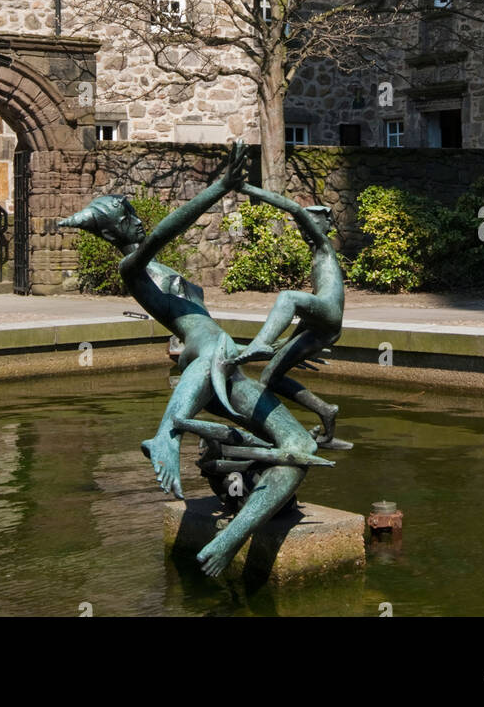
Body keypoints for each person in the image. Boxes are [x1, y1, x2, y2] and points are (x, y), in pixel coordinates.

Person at [58, 142, 327, 577]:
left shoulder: (157, 268)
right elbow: (167, 232)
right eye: (126, 217)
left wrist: (282, 348)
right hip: (207, 357)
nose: (136, 218)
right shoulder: (133, 267)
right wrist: (220, 188)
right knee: (288, 445)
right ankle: (169, 433)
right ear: (112, 234)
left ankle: (225, 533)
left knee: (301, 448)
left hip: (224, 360)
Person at [226, 183, 349, 447]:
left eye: (311, 226)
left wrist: (244, 188)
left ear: (325, 227)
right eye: (304, 228)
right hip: (323, 327)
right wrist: (288, 342)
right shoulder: (316, 255)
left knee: (288, 297)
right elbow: (309, 315)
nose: (306, 231)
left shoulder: (324, 247)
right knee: (269, 377)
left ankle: (259, 341)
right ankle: (326, 411)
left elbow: (292, 207)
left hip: (330, 312)